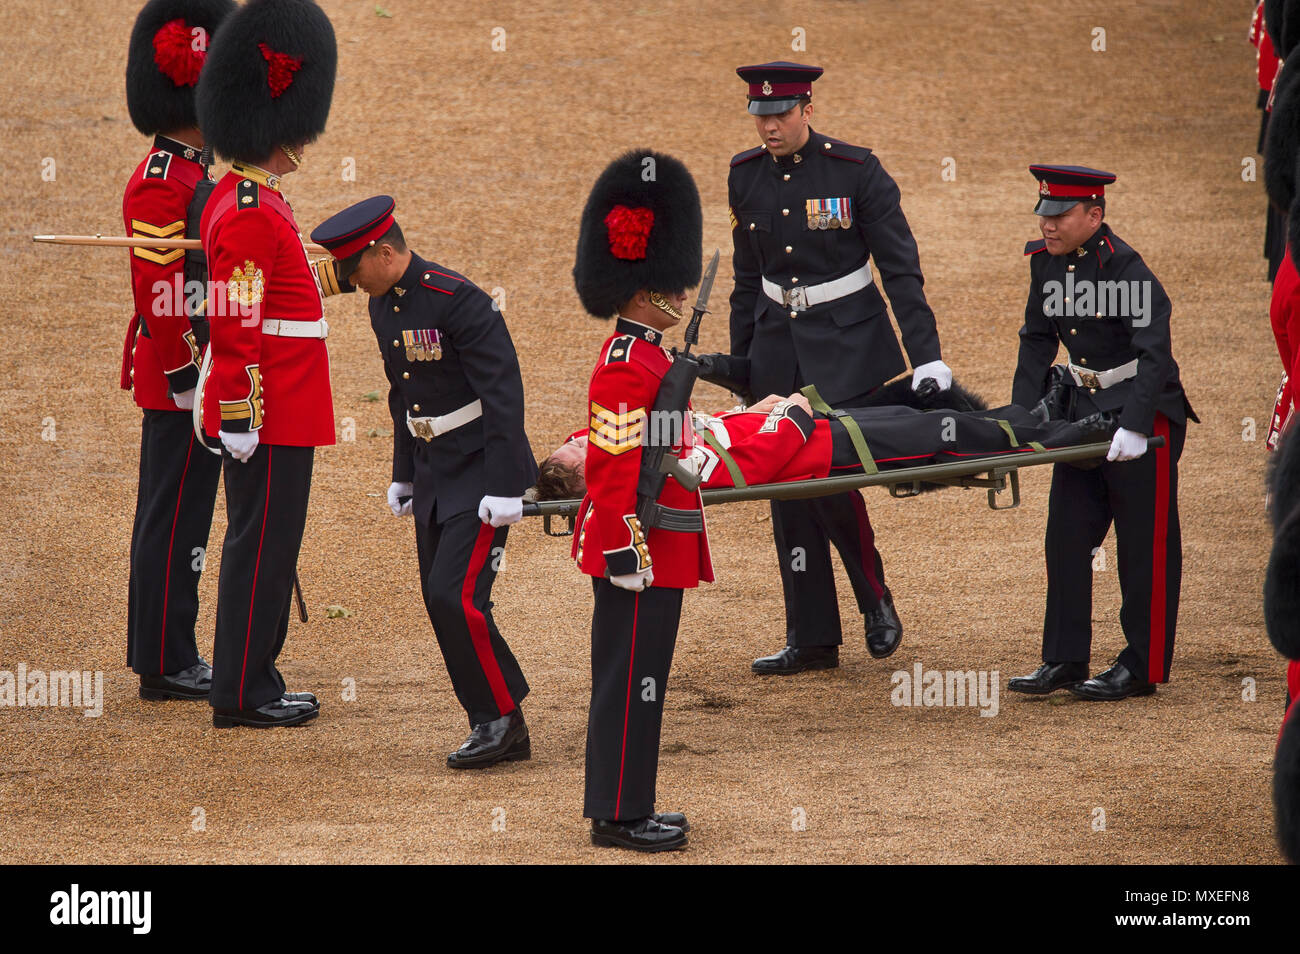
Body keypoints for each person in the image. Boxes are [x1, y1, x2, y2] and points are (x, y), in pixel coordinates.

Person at [727, 61, 952, 674]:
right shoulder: (744, 176)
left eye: (780, 115)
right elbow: (748, 281)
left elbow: (900, 269)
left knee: (826, 471)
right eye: (759, 116)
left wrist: (926, 357)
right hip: (777, 347)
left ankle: (873, 596)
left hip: (849, 349)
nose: (768, 127)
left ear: (808, 108)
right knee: (784, 486)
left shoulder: (856, 171)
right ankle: (812, 636)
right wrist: (743, 363)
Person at [310, 196, 537, 768]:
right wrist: (404, 473)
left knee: (454, 595)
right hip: (437, 472)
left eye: (352, 267)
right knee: (440, 600)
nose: (348, 280)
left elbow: (504, 395)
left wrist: (507, 484)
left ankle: (502, 719)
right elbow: (401, 393)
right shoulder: (383, 305)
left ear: (384, 252)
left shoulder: (458, 301)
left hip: (483, 470)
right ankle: (491, 716)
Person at [193, 0, 338, 727]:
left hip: (285, 402)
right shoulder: (249, 208)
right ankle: (243, 692)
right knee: (261, 550)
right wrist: (240, 416)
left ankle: (257, 676)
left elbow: (282, 292)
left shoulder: (251, 198)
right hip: (272, 408)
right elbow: (238, 318)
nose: (299, 149)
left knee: (269, 547)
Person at [1007, 165, 1197, 701]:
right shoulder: (1045, 264)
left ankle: (1141, 666)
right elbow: (1036, 340)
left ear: (1095, 215)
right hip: (1084, 412)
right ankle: (1064, 658)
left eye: (1060, 214)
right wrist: (1019, 418)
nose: (1047, 224)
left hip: (1144, 414)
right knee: (1067, 535)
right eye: (1043, 212)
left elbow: (1154, 352)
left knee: (1145, 546)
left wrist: (1136, 426)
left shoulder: (1126, 269)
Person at [570, 149, 709, 852]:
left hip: (648, 539)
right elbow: (614, 462)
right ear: (641, 290)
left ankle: (627, 802)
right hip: (637, 544)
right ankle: (620, 816)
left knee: (639, 679)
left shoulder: (651, 356)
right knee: (631, 682)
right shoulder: (630, 364)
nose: (682, 296)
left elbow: (653, 447)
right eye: (670, 287)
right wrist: (625, 543)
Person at [121, 0, 234, 702]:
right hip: (180, 381)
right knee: (173, 517)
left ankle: (170, 649)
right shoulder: (163, 181)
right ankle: (164, 659)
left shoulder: (193, 175)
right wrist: (190, 376)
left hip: (201, 373)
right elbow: (161, 291)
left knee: (185, 513)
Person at [534, 391, 1116, 500]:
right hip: (818, 448)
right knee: (953, 439)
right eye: (580, 457)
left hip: (817, 427)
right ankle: (1062, 434)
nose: (585, 444)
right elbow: (754, 467)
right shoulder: (660, 475)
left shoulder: (619, 449)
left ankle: (1033, 416)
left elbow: (689, 419)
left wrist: (749, 411)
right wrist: (785, 412)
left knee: (935, 416)